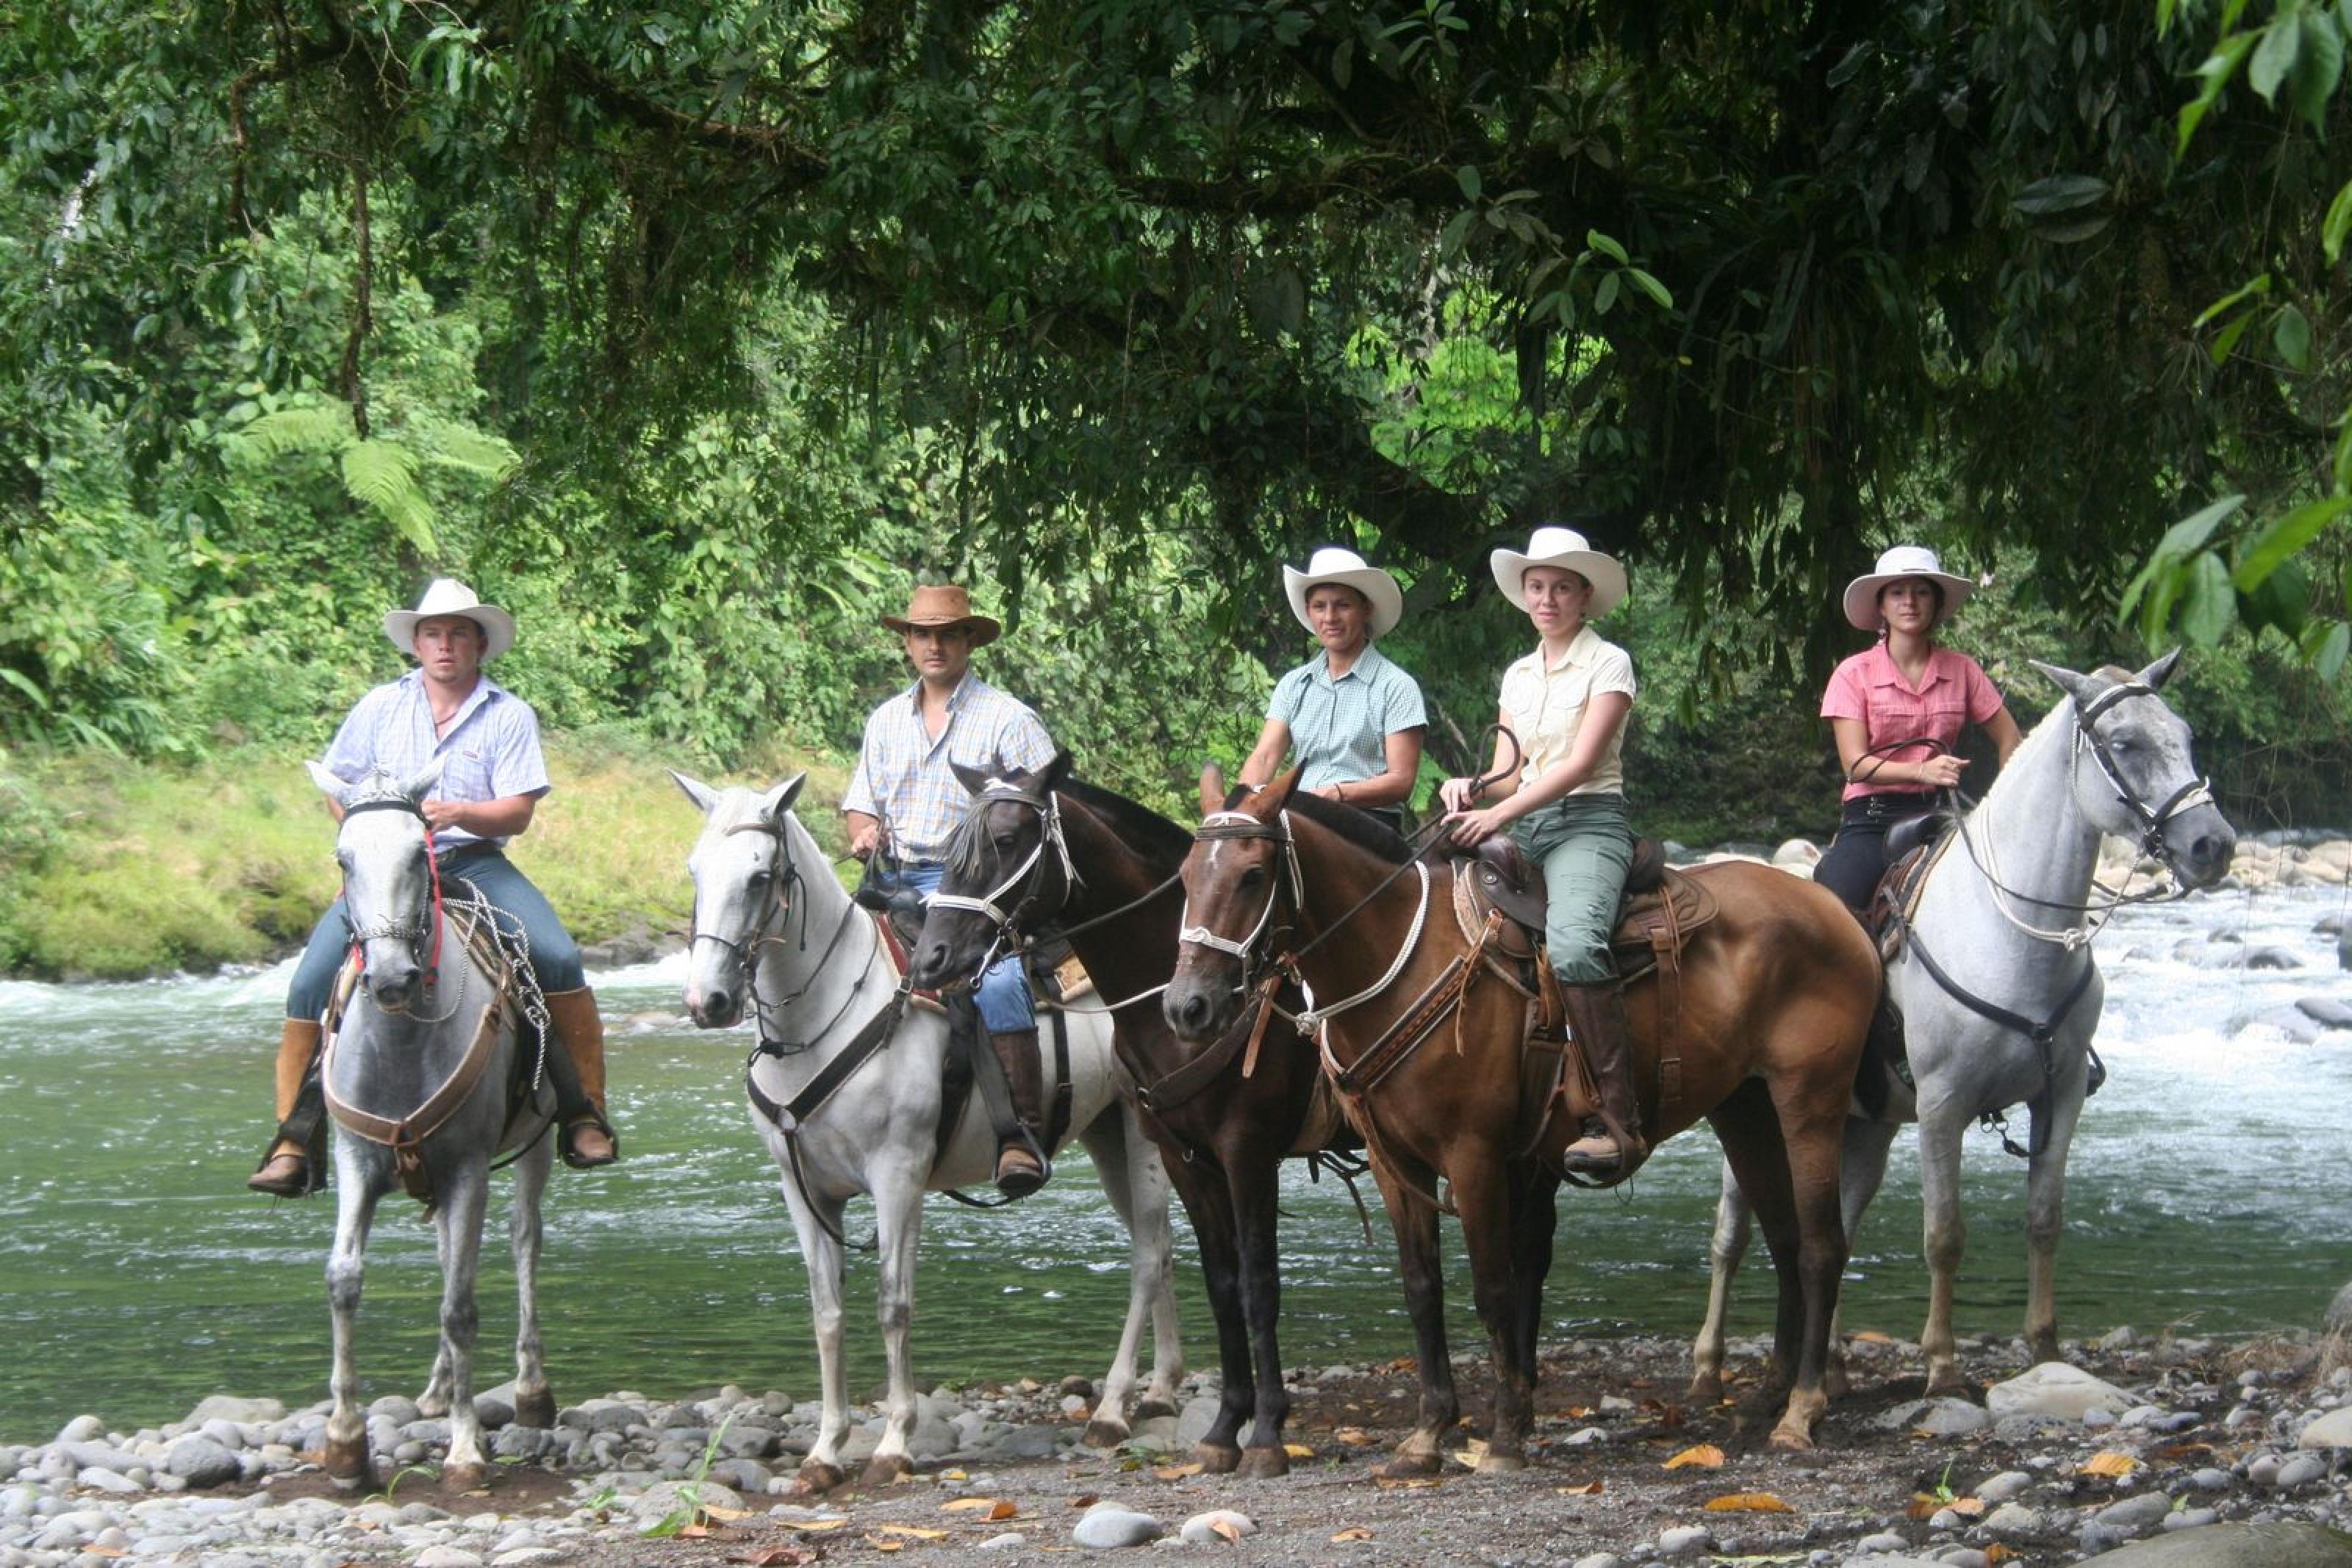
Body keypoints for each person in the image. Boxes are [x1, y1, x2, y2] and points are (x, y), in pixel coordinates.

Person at [248, 579, 617, 1196]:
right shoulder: (377, 708)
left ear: (478, 645)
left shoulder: (509, 715)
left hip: (472, 864)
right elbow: (337, 787)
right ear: (417, 644)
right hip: (386, 875)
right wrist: (374, 850)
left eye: (457, 635)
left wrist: (459, 814)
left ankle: (584, 1113)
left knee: (556, 955)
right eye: (433, 635)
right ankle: (295, 1137)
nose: (445, 646)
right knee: (310, 979)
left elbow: (518, 812)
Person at [1438, 527, 1645, 1179]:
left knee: (1578, 942)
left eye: (1561, 587)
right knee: (1434, 906)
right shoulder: (1520, 674)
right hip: (1524, 818)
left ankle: (1618, 1119)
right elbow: (1509, 769)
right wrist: (1470, 789)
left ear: (1585, 596)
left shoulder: (1609, 662)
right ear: (1523, 596)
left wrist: (1498, 811)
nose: (1547, 598)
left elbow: (1582, 764)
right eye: (1536, 587)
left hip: (1588, 820)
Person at [842, 583, 1058, 1198]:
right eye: (922, 634)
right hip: (893, 879)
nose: (934, 645)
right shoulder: (885, 720)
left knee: (999, 981)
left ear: (969, 641)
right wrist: (865, 831)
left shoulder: (1010, 720)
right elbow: (861, 804)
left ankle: (1019, 1133)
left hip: (974, 889)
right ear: (907, 643)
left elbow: (1043, 813)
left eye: (947, 634)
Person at [1813, 544, 2023, 914]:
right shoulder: (1853, 673)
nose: (1910, 602)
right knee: (1832, 913)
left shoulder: (1963, 670)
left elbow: (2009, 738)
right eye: (1897, 592)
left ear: (1936, 603)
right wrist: (1923, 770)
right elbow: (1855, 765)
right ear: (1881, 606)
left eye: (1921, 591)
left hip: (1940, 817)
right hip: (1872, 820)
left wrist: (2004, 808)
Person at [1236, 546, 1427, 830]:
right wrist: (1240, 807)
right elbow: (1264, 757)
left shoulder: (1396, 686)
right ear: (1309, 613)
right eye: (1319, 606)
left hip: (1368, 823)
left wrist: (1336, 794)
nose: (1330, 617)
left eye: (1343, 605)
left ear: (1366, 610)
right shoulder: (1293, 685)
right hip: (1301, 820)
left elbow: (1401, 781)